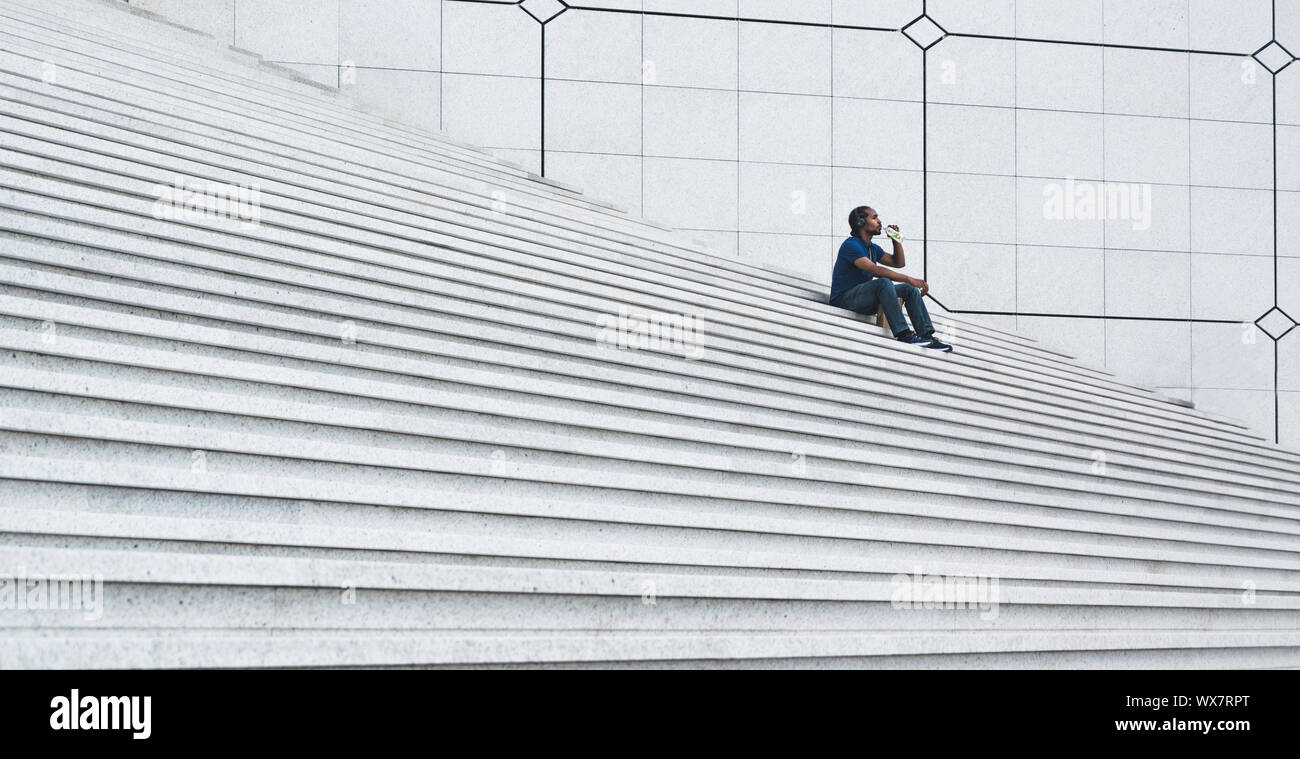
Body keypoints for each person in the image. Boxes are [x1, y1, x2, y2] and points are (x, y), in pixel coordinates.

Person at [829, 205, 952, 352]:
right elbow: (875, 270)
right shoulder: (851, 245)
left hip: (864, 299)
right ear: (860, 222)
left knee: (909, 289)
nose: (880, 221)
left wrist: (895, 240)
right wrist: (909, 278)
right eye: (874, 218)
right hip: (844, 300)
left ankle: (926, 336)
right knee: (884, 283)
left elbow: (898, 263)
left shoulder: (872, 248)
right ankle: (904, 334)